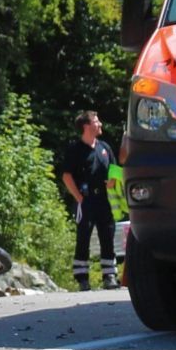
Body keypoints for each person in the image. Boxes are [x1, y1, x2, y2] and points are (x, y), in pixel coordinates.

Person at [59, 109, 118, 290]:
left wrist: (113, 181)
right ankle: (82, 278)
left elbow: (115, 168)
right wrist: (78, 197)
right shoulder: (75, 150)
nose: (100, 124)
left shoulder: (104, 148)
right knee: (83, 237)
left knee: (107, 236)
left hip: (104, 200)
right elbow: (66, 176)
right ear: (86, 126)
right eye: (96, 121)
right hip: (85, 199)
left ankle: (109, 275)